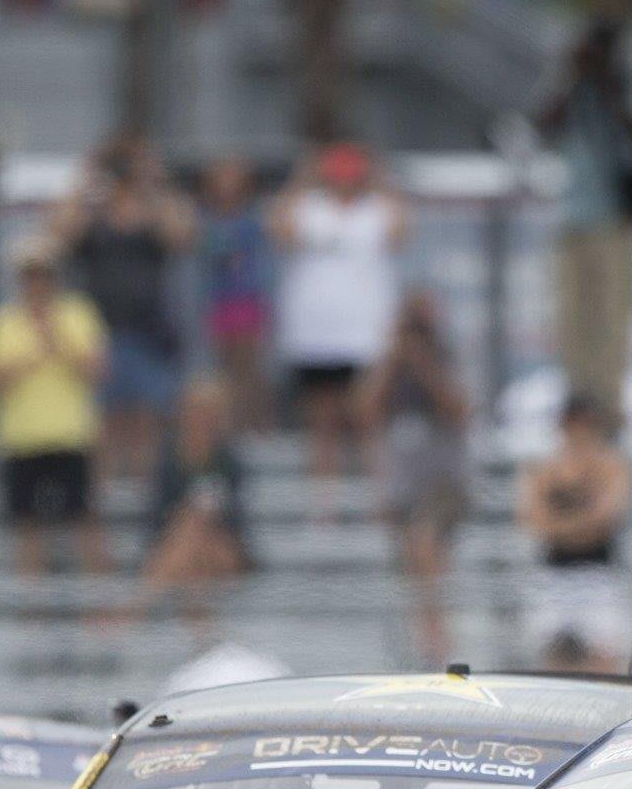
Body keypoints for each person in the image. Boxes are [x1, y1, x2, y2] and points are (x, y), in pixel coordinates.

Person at [534, 18, 632, 431]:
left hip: (616, 221)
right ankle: (578, 399)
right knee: (573, 315)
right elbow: (543, 123)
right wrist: (573, 79)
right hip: (573, 218)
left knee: (613, 315)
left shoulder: (630, 83)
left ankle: (609, 403)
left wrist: (609, 88)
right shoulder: (572, 87)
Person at [274, 141, 407, 518]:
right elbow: (280, 231)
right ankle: (324, 507)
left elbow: (401, 232)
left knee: (368, 419)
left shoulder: (376, 210)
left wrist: (383, 180)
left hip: (365, 337)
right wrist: (299, 180)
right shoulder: (309, 208)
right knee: (322, 423)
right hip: (315, 337)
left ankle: (381, 502)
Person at [58, 139, 196, 492]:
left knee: (146, 415)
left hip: (147, 330)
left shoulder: (153, 214)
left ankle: (145, 491)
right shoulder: (94, 214)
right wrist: (87, 176)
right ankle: (106, 493)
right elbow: (60, 234)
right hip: (100, 331)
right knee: (104, 419)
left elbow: (182, 236)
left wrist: (154, 181)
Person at [0, 241, 112, 579]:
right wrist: (30, 358)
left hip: (70, 434)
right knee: (27, 527)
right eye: (30, 277)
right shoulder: (5, 320)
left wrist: (57, 341)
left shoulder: (77, 314)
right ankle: (33, 615)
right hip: (21, 437)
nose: (37, 285)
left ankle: (100, 613)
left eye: (43, 276)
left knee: (84, 520)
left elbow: (97, 371)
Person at [363, 289, 472, 665]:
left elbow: (459, 409)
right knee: (413, 556)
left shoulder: (447, 359)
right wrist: (393, 359)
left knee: (425, 541)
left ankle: (436, 641)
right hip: (403, 489)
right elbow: (366, 411)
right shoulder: (390, 369)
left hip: (443, 485)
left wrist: (423, 364)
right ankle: (425, 639)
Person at [516, 396, 632, 673]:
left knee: (606, 656)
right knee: (553, 660)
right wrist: (580, 523)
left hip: (599, 573)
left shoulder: (611, 465)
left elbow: (608, 515)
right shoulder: (544, 467)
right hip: (554, 573)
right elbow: (531, 520)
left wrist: (561, 523)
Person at [141, 375, 252, 619]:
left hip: (223, 546)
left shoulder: (229, 459)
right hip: (180, 542)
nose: (201, 418)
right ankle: (202, 632)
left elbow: (235, 515)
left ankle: (138, 606)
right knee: (192, 539)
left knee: (196, 528)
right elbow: (158, 513)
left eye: (207, 411)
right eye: (196, 410)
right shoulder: (168, 459)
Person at [196, 156, 276, 430]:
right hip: (219, 301)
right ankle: (226, 425)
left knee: (248, 366)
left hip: (247, 300)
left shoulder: (253, 217)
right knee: (222, 368)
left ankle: (252, 423)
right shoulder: (204, 217)